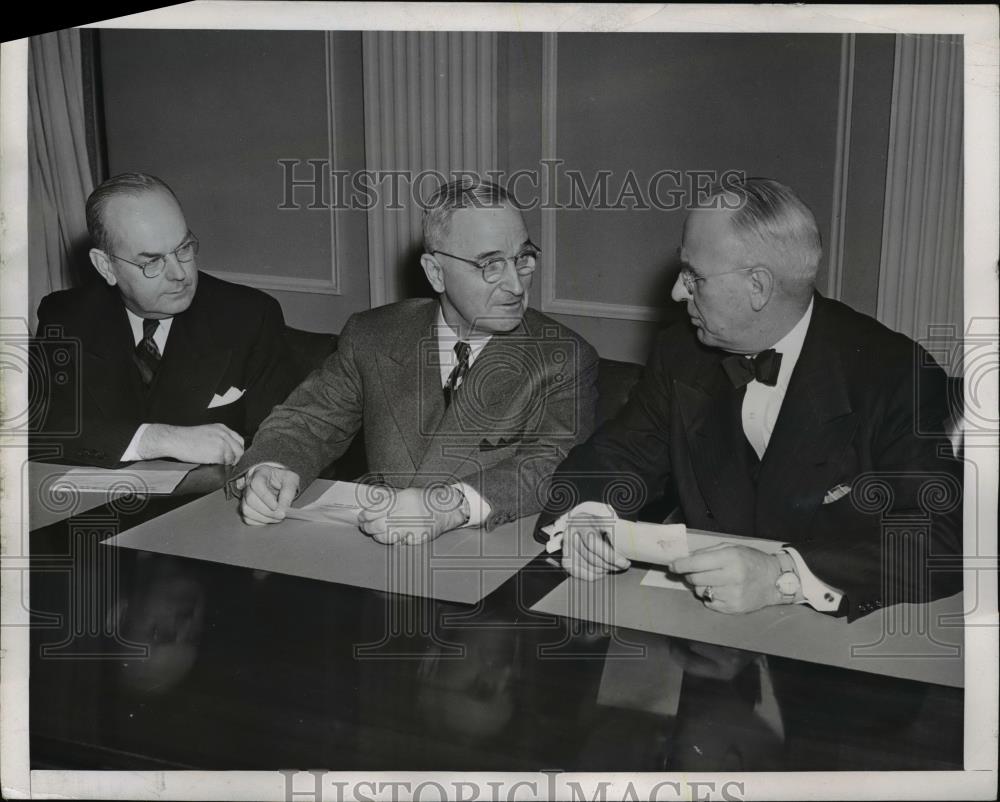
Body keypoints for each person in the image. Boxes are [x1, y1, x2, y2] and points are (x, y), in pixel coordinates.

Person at [540, 177, 962, 621]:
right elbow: (618, 453)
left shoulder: (893, 372)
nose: (677, 293)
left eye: (694, 277)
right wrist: (587, 517)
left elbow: (945, 537)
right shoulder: (681, 352)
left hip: (834, 635)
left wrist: (784, 575)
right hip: (704, 636)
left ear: (757, 287)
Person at [234, 178, 599, 542]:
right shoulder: (373, 334)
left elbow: (551, 465)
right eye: (490, 264)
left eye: (522, 258)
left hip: (479, 562)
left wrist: (446, 506)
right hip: (368, 557)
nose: (516, 286)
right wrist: (272, 467)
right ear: (435, 272)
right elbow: (309, 421)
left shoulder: (562, 357)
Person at [32, 172, 297, 468]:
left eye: (183, 248)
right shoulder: (67, 315)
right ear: (105, 266)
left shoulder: (250, 316)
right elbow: (36, 427)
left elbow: (283, 443)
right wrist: (157, 439)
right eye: (152, 261)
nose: (180, 274)